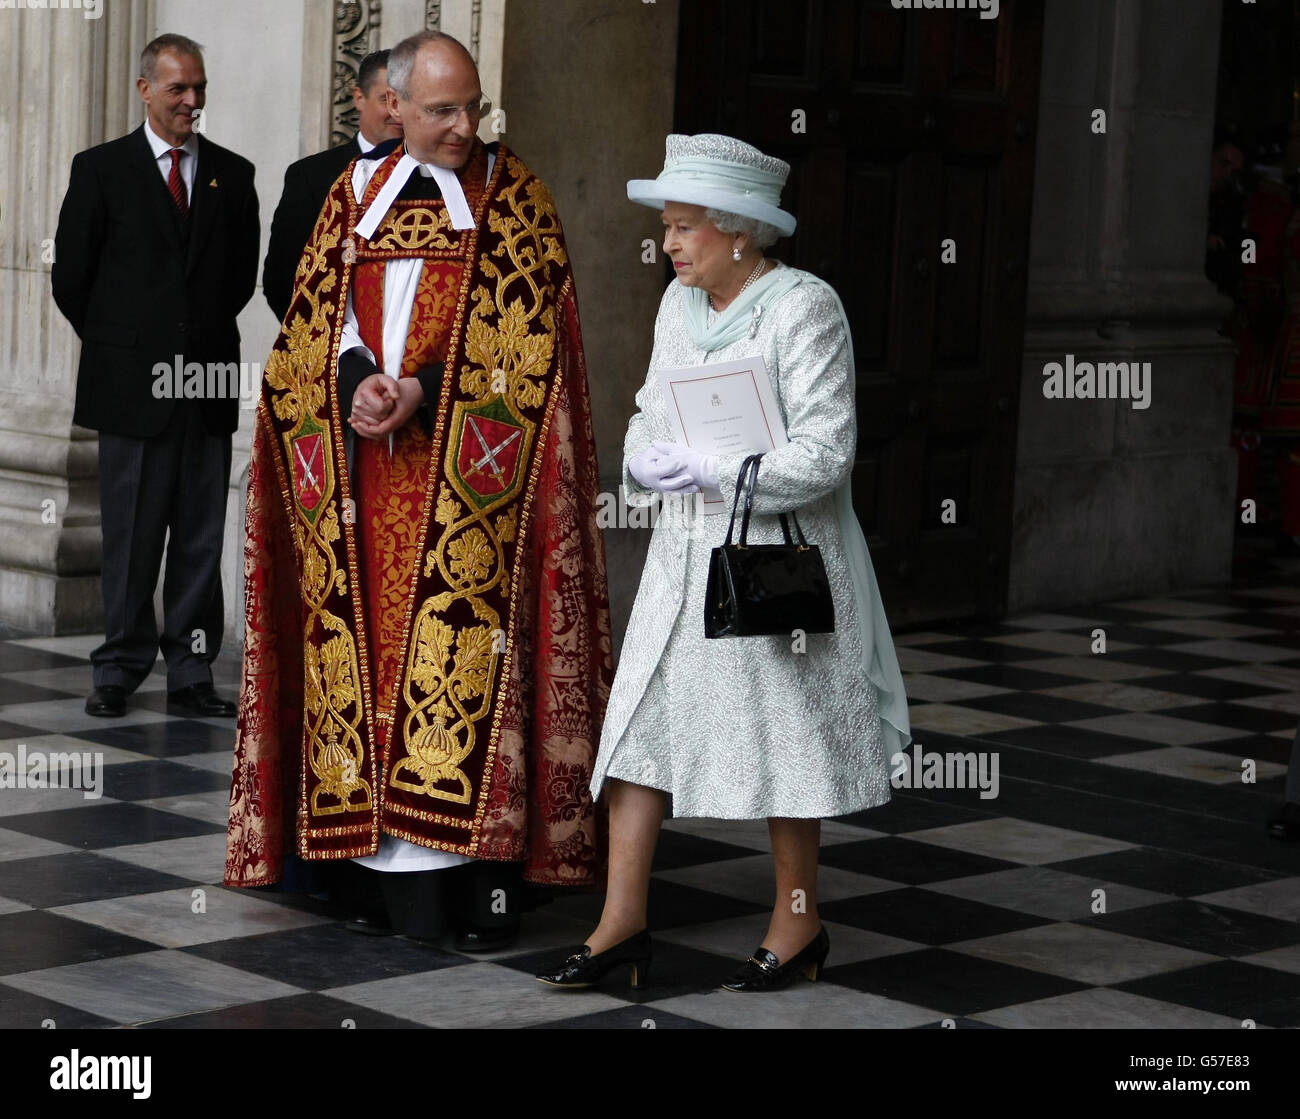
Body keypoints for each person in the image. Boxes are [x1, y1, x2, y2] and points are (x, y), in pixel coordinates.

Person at [224, 31, 612, 953]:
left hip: (467, 489)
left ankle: (473, 893)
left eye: (473, 107)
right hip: (356, 492)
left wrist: (424, 392)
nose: (463, 126)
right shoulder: (352, 199)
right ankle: (354, 878)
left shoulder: (515, 199)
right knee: (355, 674)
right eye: (443, 110)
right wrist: (357, 377)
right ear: (394, 107)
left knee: (459, 672)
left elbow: (534, 353)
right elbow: (308, 329)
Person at [536, 134, 910, 993]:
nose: (667, 243)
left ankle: (799, 921)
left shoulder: (804, 308)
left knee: (788, 740)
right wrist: (646, 457)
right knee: (639, 730)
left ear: (738, 230)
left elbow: (828, 451)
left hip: (768, 560)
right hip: (680, 557)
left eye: (683, 227)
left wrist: (723, 469)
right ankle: (621, 924)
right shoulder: (679, 305)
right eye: (666, 226)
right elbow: (649, 408)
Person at [52, 33, 259, 719]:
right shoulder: (100, 170)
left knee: (200, 536)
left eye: (199, 88)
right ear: (145, 90)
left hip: (205, 387)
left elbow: (237, 280)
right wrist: (126, 349)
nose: (192, 101)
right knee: (132, 538)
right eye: (178, 89)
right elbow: (72, 279)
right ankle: (118, 668)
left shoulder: (235, 174)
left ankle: (191, 671)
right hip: (130, 389)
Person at [262, 49, 403, 324]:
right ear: (359, 98)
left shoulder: (435, 176)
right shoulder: (311, 176)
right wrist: (328, 344)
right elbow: (282, 280)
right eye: (387, 100)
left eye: (405, 100)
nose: (397, 112)